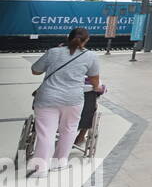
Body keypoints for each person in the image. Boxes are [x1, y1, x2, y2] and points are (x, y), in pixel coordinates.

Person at [29, 27, 101, 177]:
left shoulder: (53, 52)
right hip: (73, 100)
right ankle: (59, 163)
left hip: (47, 98)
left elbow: (35, 70)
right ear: (86, 40)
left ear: (68, 37)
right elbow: (94, 80)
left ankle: (40, 168)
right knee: (69, 130)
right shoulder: (91, 56)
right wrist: (97, 87)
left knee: (46, 133)